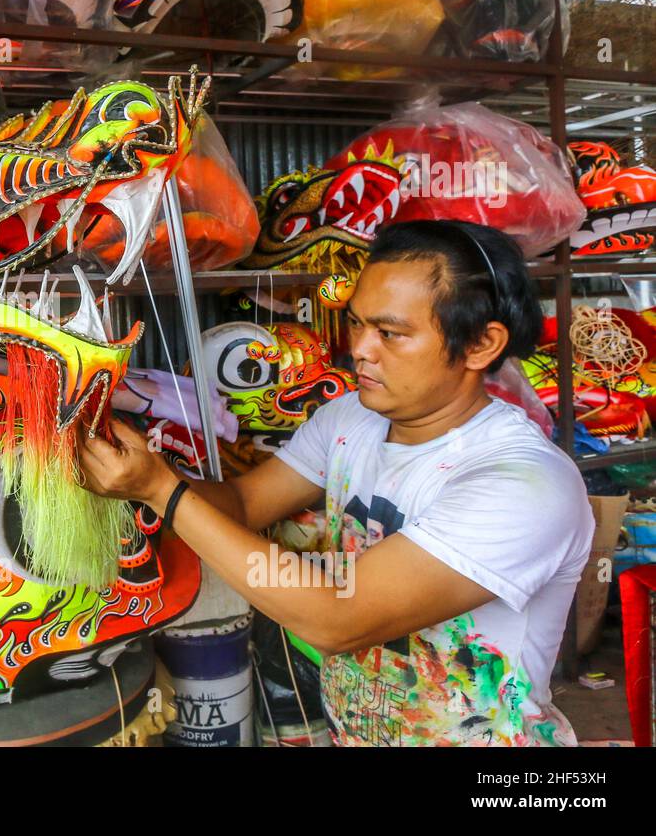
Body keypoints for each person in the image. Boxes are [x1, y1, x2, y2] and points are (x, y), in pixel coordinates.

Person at [78, 219, 593, 746]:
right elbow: (241, 503)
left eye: (390, 333)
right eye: (356, 324)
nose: (361, 350)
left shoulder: (524, 483)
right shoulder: (350, 419)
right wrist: (136, 475)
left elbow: (336, 618)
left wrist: (162, 491)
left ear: (481, 345)